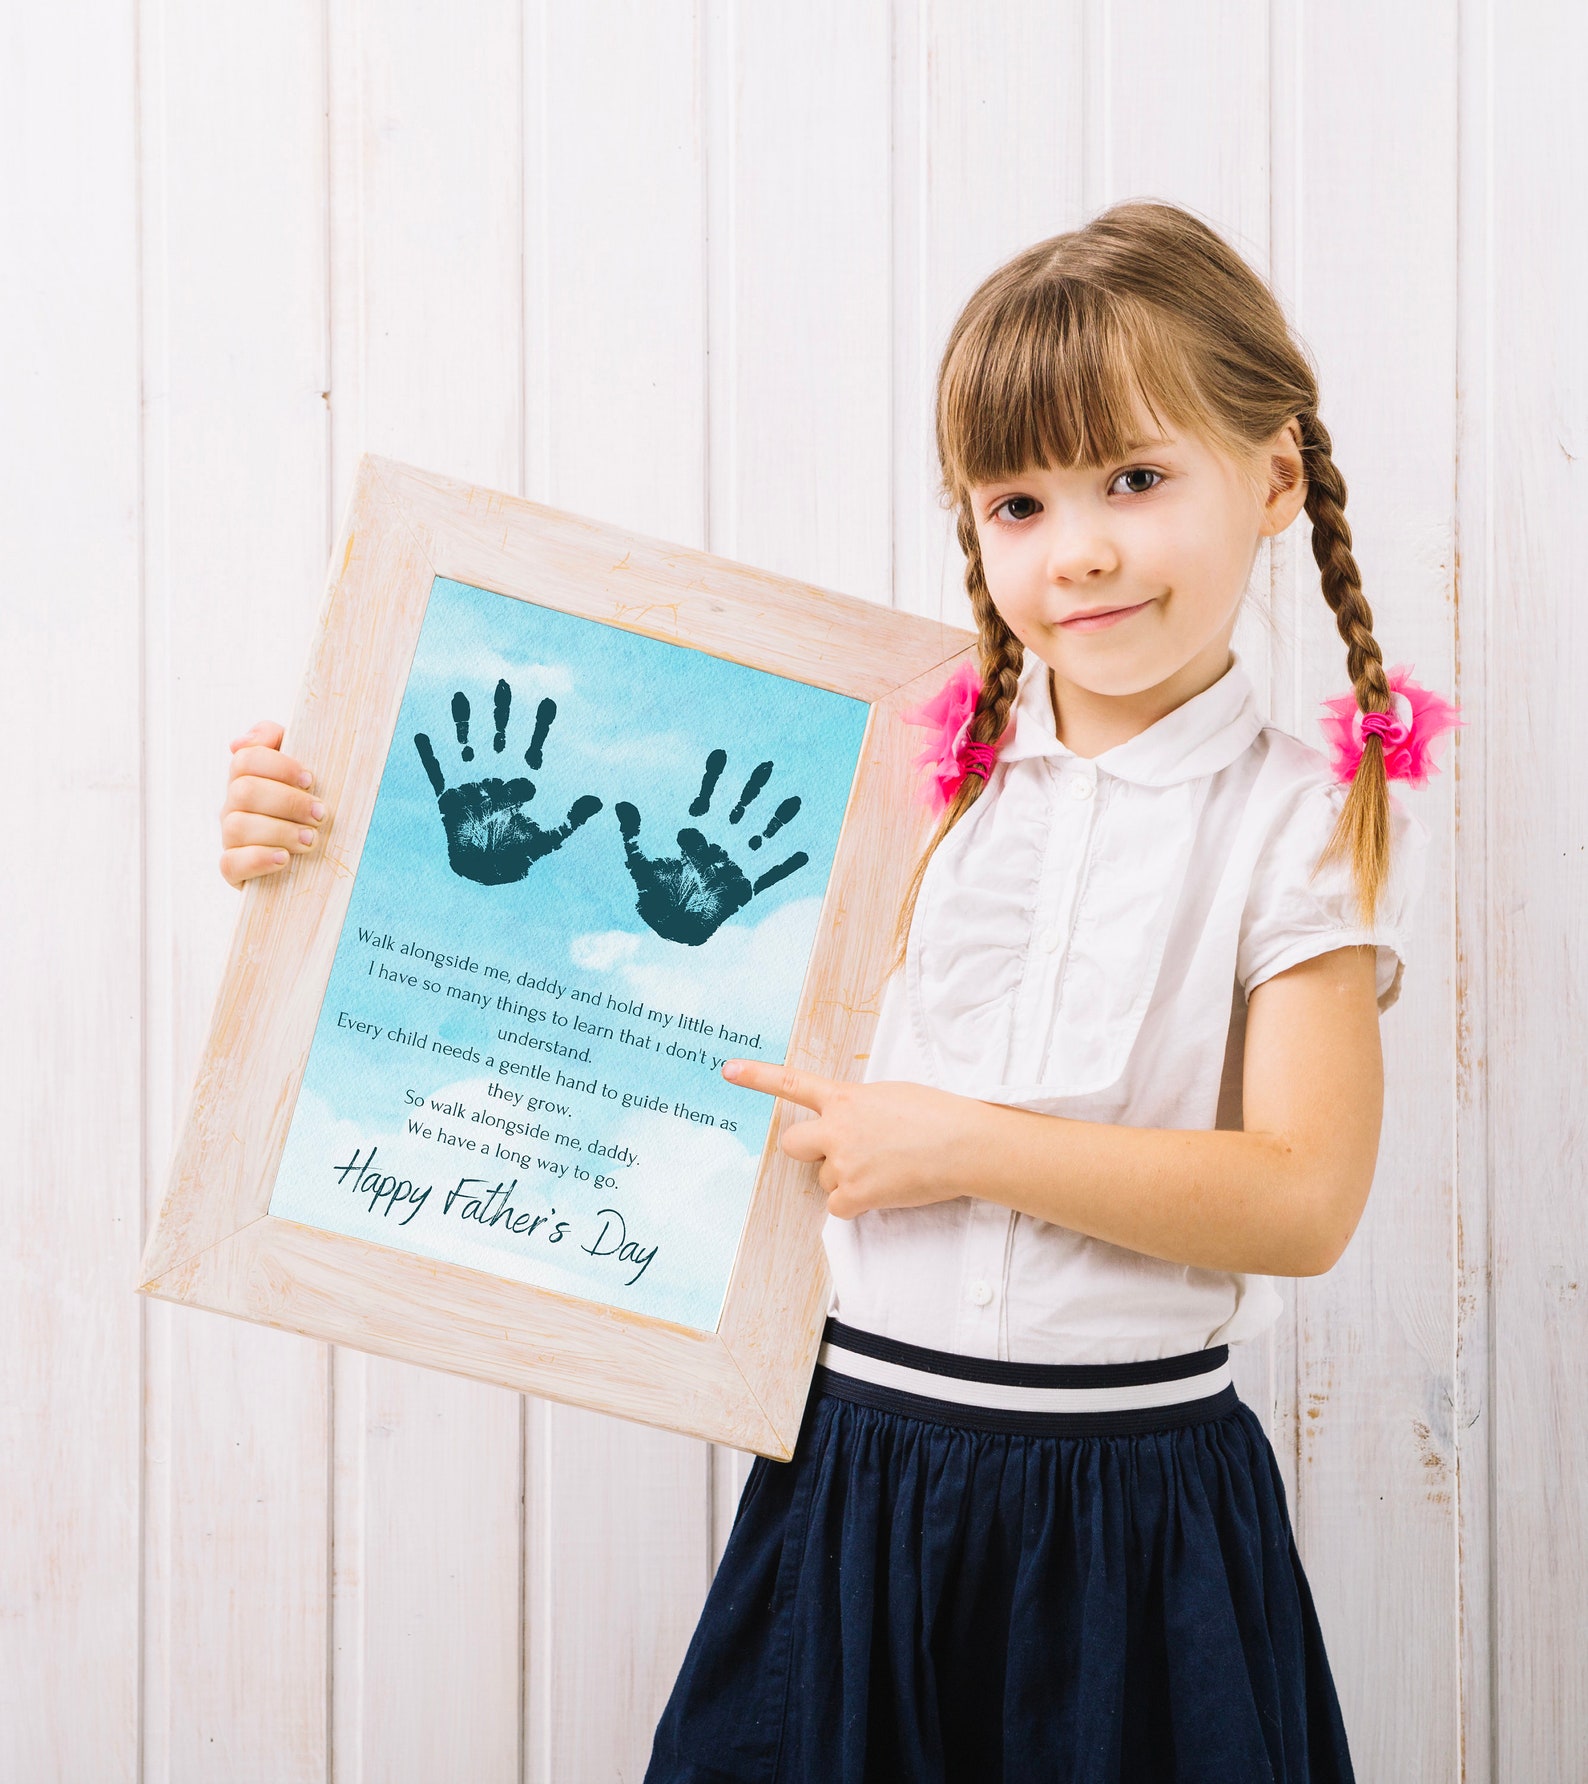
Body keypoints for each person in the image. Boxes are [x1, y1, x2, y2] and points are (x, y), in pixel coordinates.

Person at [217, 201, 1458, 1782]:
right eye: (1017, 501)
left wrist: (959, 1145)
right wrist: (323, 838)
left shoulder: (1303, 819)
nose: (1076, 546)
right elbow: (597, 970)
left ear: (1274, 478)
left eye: (1135, 480)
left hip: (1134, 1509)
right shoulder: (893, 772)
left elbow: (1302, 1203)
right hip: (857, 1476)